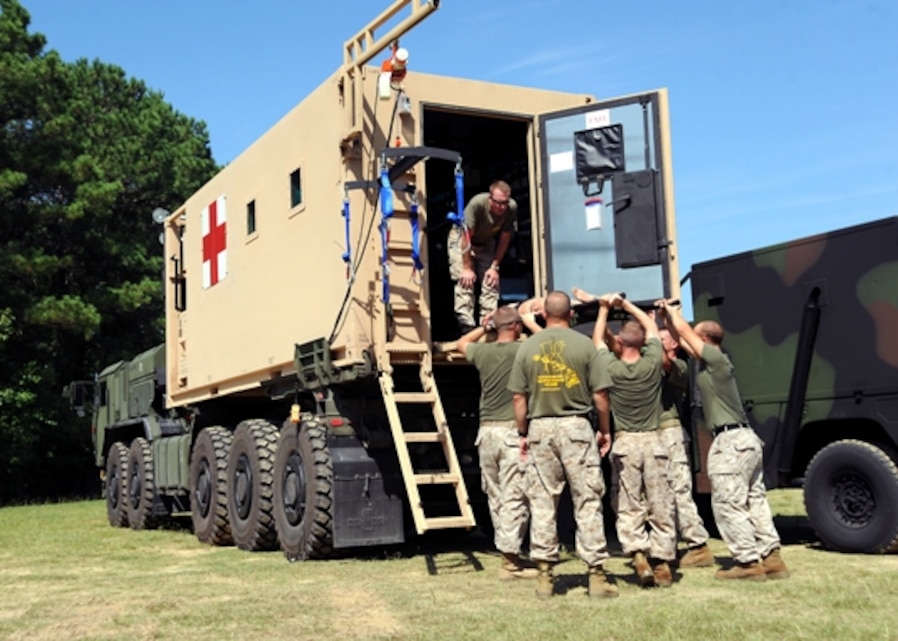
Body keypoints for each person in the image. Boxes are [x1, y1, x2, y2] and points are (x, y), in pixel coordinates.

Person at [659, 301, 789, 581]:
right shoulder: (709, 364)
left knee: (728, 503)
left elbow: (683, 332)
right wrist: (668, 318)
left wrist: (673, 314)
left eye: (697, 335)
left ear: (705, 339)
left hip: (730, 442)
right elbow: (682, 337)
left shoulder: (717, 360)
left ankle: (747, 563)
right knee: (755, 501)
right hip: (745, 440)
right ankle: (771, 558)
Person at [507, 291, 618, 599]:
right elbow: (601, 395)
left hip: (540, 427)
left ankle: (544, 577)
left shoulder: (527, 347)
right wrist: (604, 430)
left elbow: (518, 397)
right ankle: (596, 576)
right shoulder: (584, 345)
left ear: (544, 315)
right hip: (577, 427)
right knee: (587, 499)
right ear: (571, 314)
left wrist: (523, 432)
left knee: (542, 502)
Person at [591, 292, 676, 588]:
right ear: (642, 343)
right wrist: (626, 304)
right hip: (654, 441)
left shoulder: (610, 368)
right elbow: (652, 330)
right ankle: (663, 563)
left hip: (625, 443)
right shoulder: (652, 363)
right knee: (660, 501)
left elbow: (598, 342)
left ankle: (638, 556)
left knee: (628, 504)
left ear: (621, 342)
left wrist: (603, 309)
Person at [457, 306, 536, 580]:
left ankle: (507, 552)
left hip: (486, 433)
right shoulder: (524, 350)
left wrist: (485, 327)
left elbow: (461, 343)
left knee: (497, 497)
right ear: (516, 326)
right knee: (516, 496)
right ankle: (510, 561)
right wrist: (530, 321)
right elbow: (548, 340)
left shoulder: (484, 352)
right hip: (511, 432)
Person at [657, 327, 714, 568]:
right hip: (653, 435)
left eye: (661, 341)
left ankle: (697, 545)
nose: (653, 344)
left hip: (670, 434)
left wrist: (650, 332)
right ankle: (667, 548)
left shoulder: (678, 366)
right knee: (660, 495)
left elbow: (662, 361)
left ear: (673, 346)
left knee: (679, 490)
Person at [448, 180, 516, 334]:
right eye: (498, 203)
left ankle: (488, 321)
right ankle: (466, 325)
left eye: (505, 203)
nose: (501, 207)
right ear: (490, 199)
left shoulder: (511, 209)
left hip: (485, 241)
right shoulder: (477, 204)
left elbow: (505, 238)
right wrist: (467, 267)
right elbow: (466, 237)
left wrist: (494, 267)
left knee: (491, 280)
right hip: (463, 240)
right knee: (465, 280)